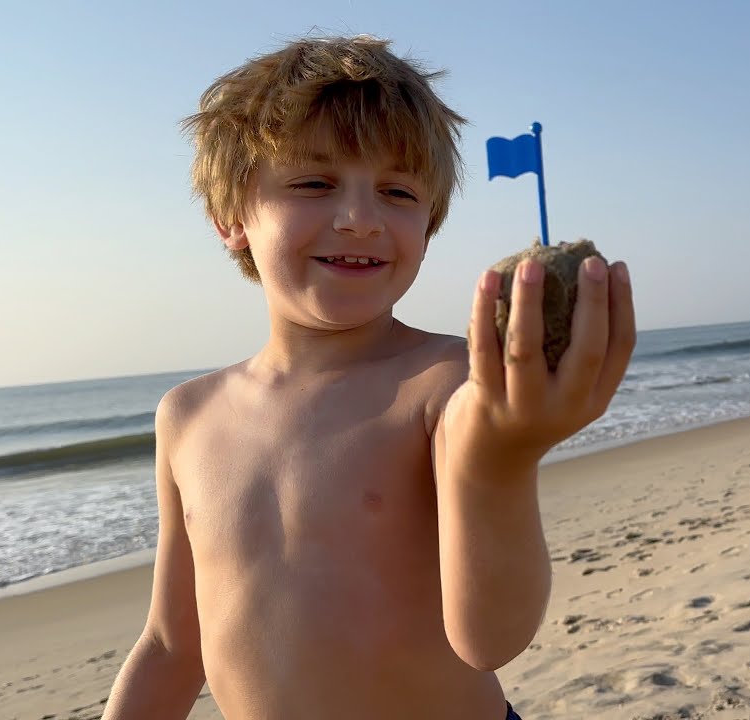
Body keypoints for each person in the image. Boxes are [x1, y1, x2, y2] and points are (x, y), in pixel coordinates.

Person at [103, 35, 634, 719]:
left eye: (397, 191)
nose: (359, 219)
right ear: (231, 217)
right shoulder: (188, 415)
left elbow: (490, 639)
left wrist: (501, 455)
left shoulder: (444, 385)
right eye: (314, 183)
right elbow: (174, 646)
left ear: (429, 220)